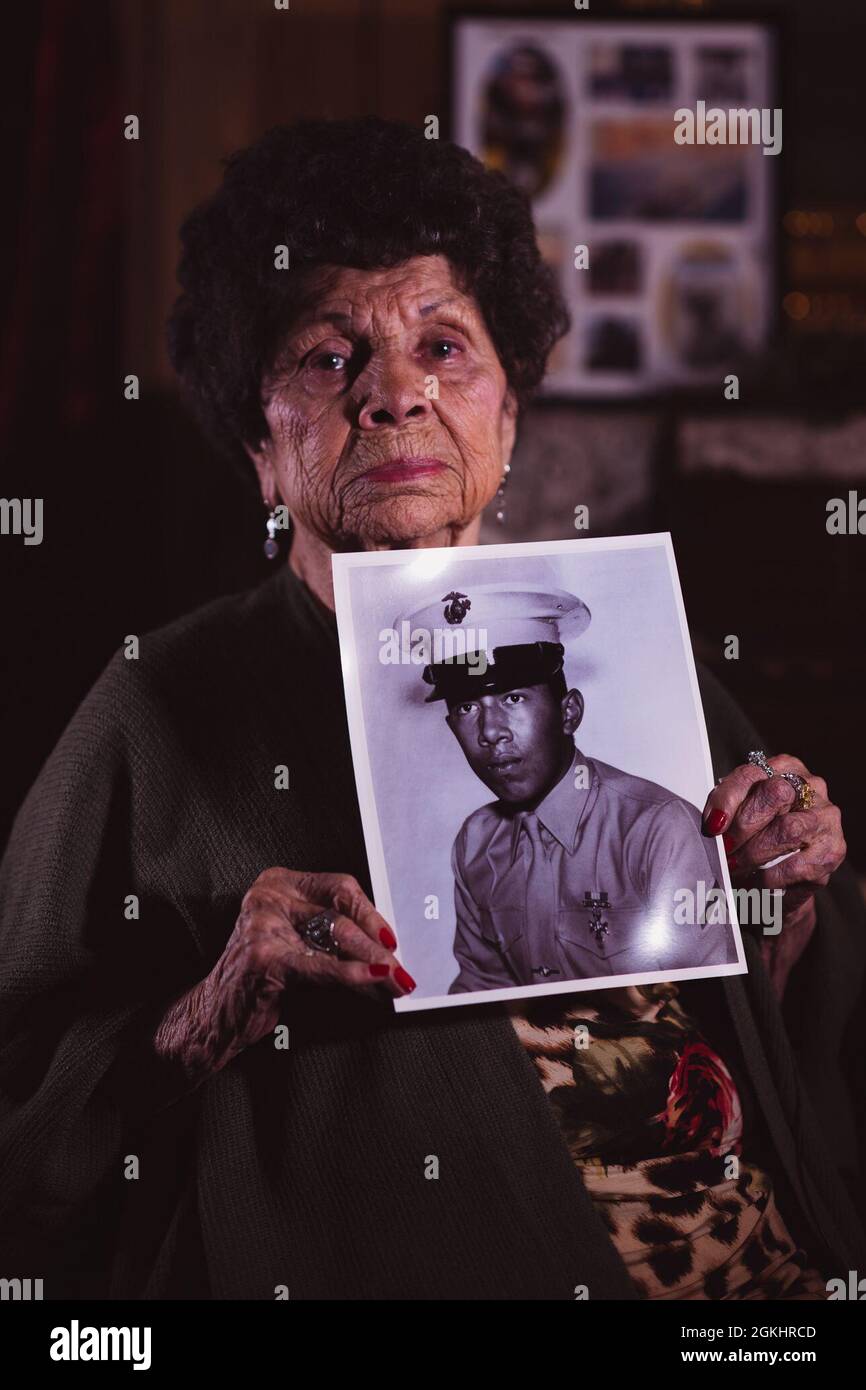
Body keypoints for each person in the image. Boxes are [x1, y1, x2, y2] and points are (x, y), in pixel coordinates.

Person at [1, 117, 863, 1301]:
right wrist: (213, 1007)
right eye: (327, 357)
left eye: (443, 347)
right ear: (259, 445)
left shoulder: (635, 650)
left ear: (506, 420)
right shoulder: (158, 703)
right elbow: (22, 1127)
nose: (394, 394)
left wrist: (785, 891)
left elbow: (769, 1022)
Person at [405, 583, 732, 990]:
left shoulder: (657, 830)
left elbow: (711, 1006)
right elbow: (481, 990)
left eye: (513, 699)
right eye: (468, 708)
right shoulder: (476, 843)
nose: (490, 733)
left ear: (569, 712)